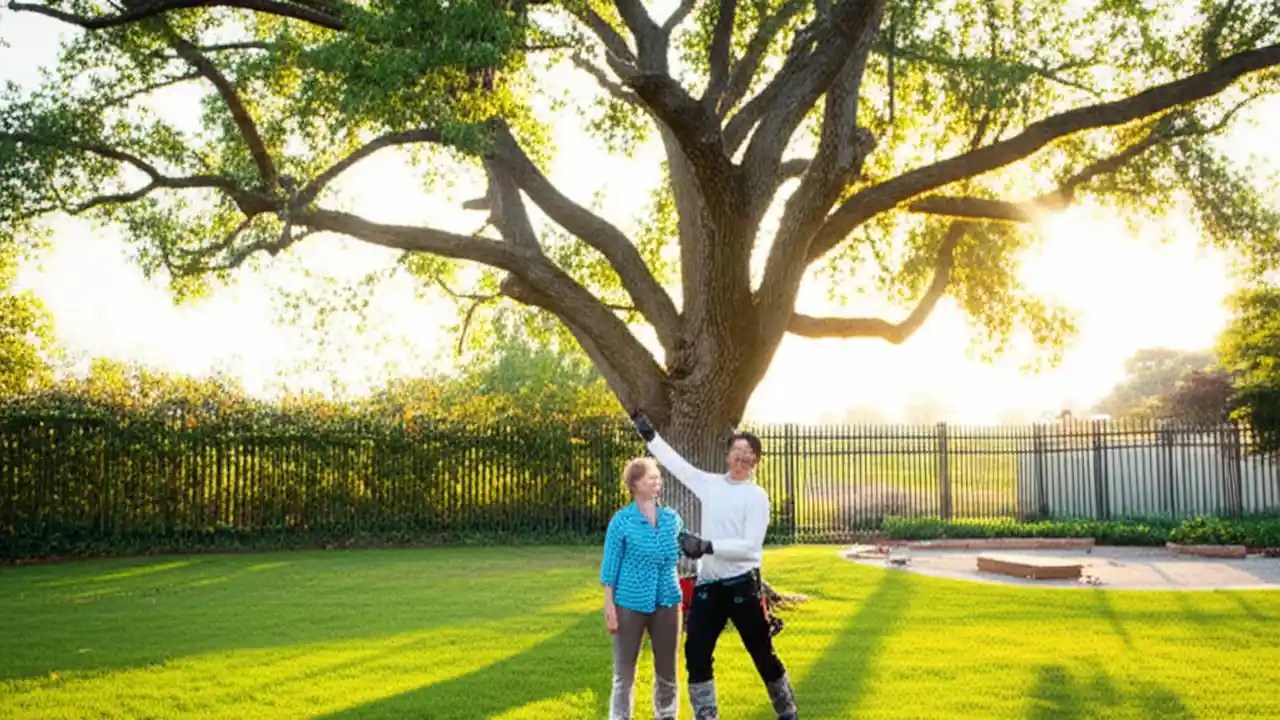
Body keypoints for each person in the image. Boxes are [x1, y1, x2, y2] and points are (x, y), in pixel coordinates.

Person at [630, 411, 798, 720]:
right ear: (727, 455)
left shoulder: (757, 497)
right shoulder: (709, 485)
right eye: (737, 452)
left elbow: (750, 547)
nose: (741, 458)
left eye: (748, 454)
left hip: (743, 587)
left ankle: (787, 710)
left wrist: (707, 546)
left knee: (762, 653)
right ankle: (706, 714)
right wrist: (649, 436)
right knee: (697, 653)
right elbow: (677, 465)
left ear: (755, 462)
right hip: (709, 587)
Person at [600, 457, 685, 720]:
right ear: (636, 483)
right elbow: (610, 566)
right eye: (652, 476)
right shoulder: (621, 521)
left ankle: (667, 715)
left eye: (658, 476)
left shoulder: (672, 519)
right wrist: (609, 606)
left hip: (668, 602)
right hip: (629, 603)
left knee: (667, 671)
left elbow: (678, 554)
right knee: (624, 672)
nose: (657, 480)